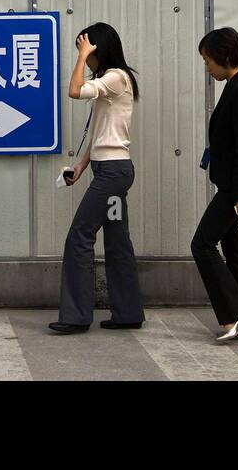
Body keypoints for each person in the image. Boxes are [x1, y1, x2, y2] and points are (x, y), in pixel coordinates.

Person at [50, 23, 145, 333]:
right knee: (117, 242)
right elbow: (102, 134)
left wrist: (81, 57)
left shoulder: (116, 78)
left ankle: (75, 317)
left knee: (79, 235)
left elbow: (74, 91)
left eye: (86, 49)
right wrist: (80, 165)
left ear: (97, 49)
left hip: (113, 174)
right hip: (111, 170)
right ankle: (128, 313)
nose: (83, 56)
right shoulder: (110, 81)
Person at [192, 27, 238, 343]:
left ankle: (234, 313)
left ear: (223, 57)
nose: (207, 68)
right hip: (236, 187)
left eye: (208, 61)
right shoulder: (236, 86)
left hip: (236, 190)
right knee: (235, 249)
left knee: (202, 244)